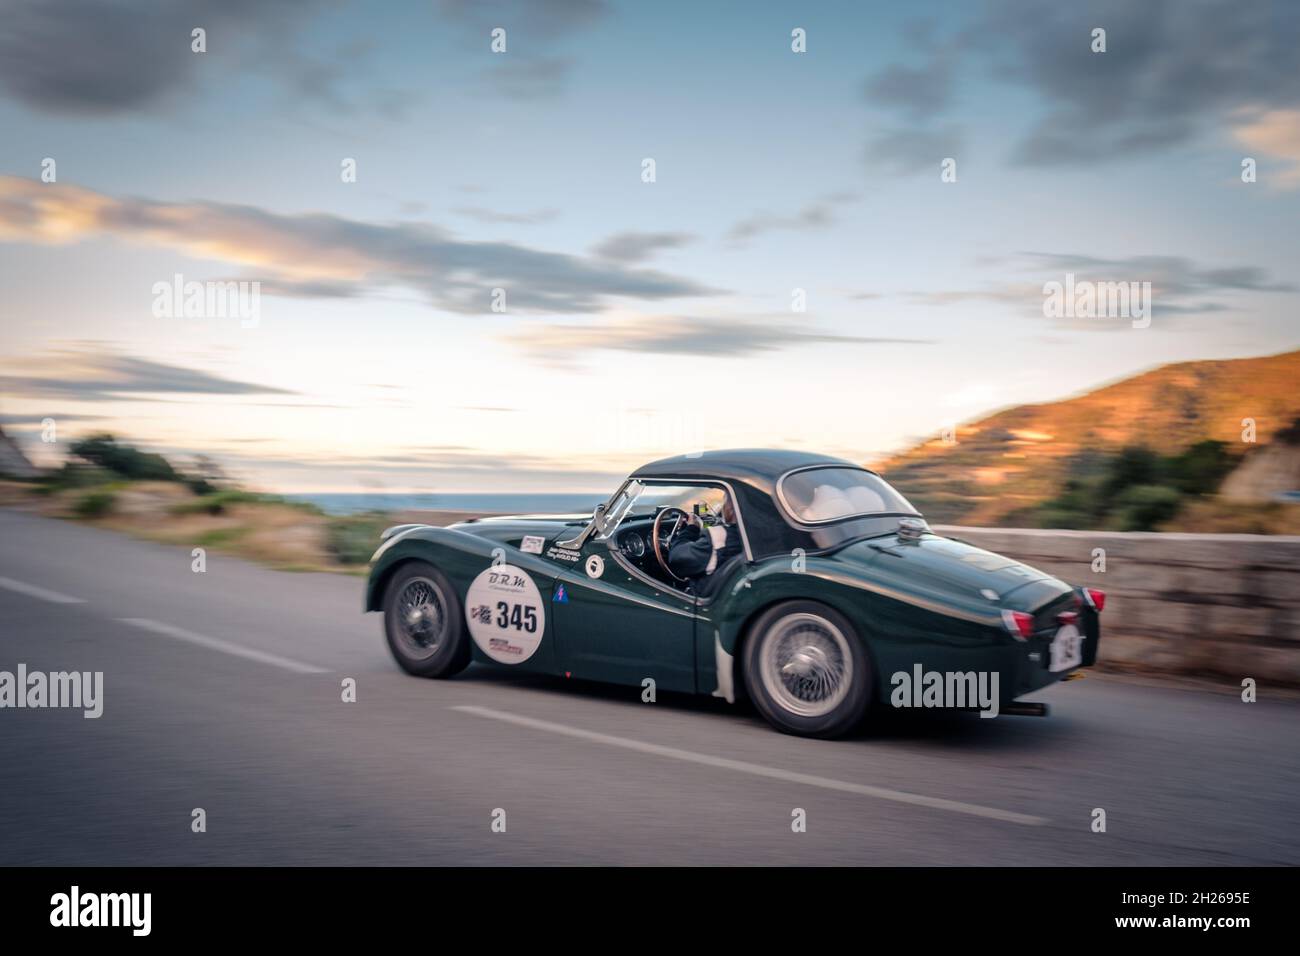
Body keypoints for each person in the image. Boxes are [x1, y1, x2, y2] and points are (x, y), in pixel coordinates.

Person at [667, 497, 744, 590]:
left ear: (731, 509)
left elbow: (676, 558)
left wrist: (691, 528)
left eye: (725, 501)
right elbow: (714, 523)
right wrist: (702, 514)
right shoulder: (748, 533)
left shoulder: (720, 537)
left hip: (702, 597)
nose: (723, 505)